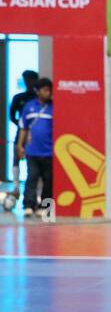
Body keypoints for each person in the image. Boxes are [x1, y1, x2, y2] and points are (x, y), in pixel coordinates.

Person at [17, 77, 54, 217]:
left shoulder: (54, 107)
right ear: (37, 91)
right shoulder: (29, 106)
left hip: (49, 152)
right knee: (31, 178)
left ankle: (45, 209)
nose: (48, 92)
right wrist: (20, 145)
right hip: (32, 151)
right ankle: (28, 205)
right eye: (45, 90)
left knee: (49, 181)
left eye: (49, 90)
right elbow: (23, 128)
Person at [7, 69, 39, 184]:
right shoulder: (18, 97)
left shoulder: (39, 99)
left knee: (35, 161)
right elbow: (12, 116)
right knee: (16, 157)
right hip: (21, 133)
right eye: (26, 80)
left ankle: (35, 187)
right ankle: (16, 186)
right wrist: (22, 127)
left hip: (36, 135)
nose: (28, 82)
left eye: (30, 80)